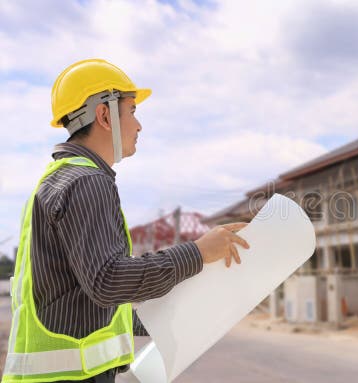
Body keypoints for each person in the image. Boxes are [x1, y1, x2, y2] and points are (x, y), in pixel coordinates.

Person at [2, 59, 249, 383]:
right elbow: (107, 280)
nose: (139, 125)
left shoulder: (54, 182)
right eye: (132, 111)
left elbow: (78, 296)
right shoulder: (87, 182)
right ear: (105, 116)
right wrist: (198, 253)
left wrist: (162, 319)